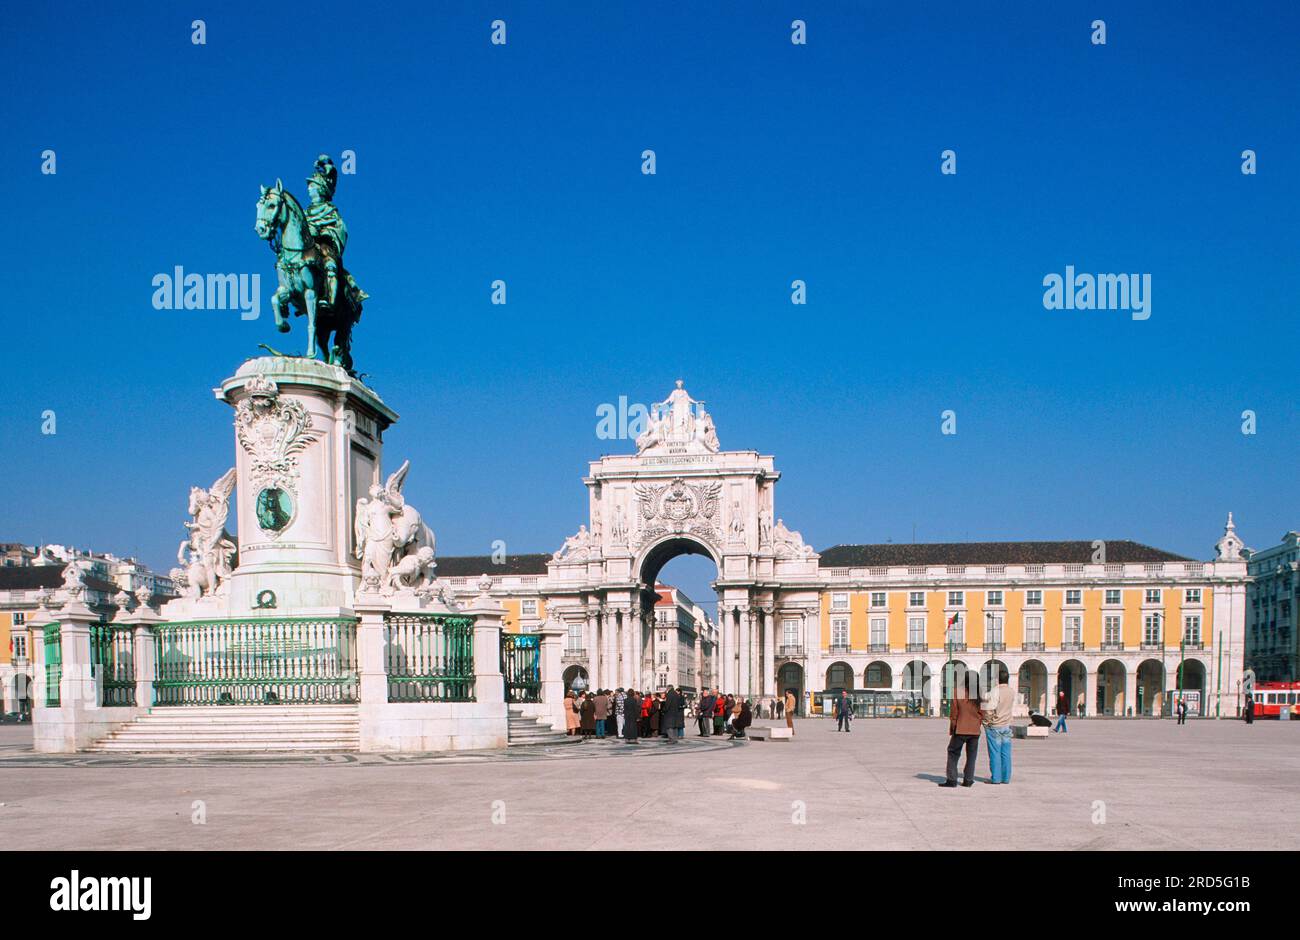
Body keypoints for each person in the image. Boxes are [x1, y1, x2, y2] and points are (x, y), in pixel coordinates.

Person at [940, 672, 983, 788]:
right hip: (975, 730)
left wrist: (953, 727)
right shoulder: (979, 694)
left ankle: (952, 780)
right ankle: (968, 780)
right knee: (972, 756)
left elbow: (954, 712)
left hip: (960, 729)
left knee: (953, 753)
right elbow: (982, 713)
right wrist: (978, 723)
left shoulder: (957, 692)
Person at [982, 665, 1014, 784]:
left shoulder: (996, 690)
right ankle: (1006, 778)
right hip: (1006, 725)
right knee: (1006, 753)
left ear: (997, 679)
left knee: (995, 752)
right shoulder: (1011, 691)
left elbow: (990, 708)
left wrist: (987, 720)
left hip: (995, 726)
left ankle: (996, 778)